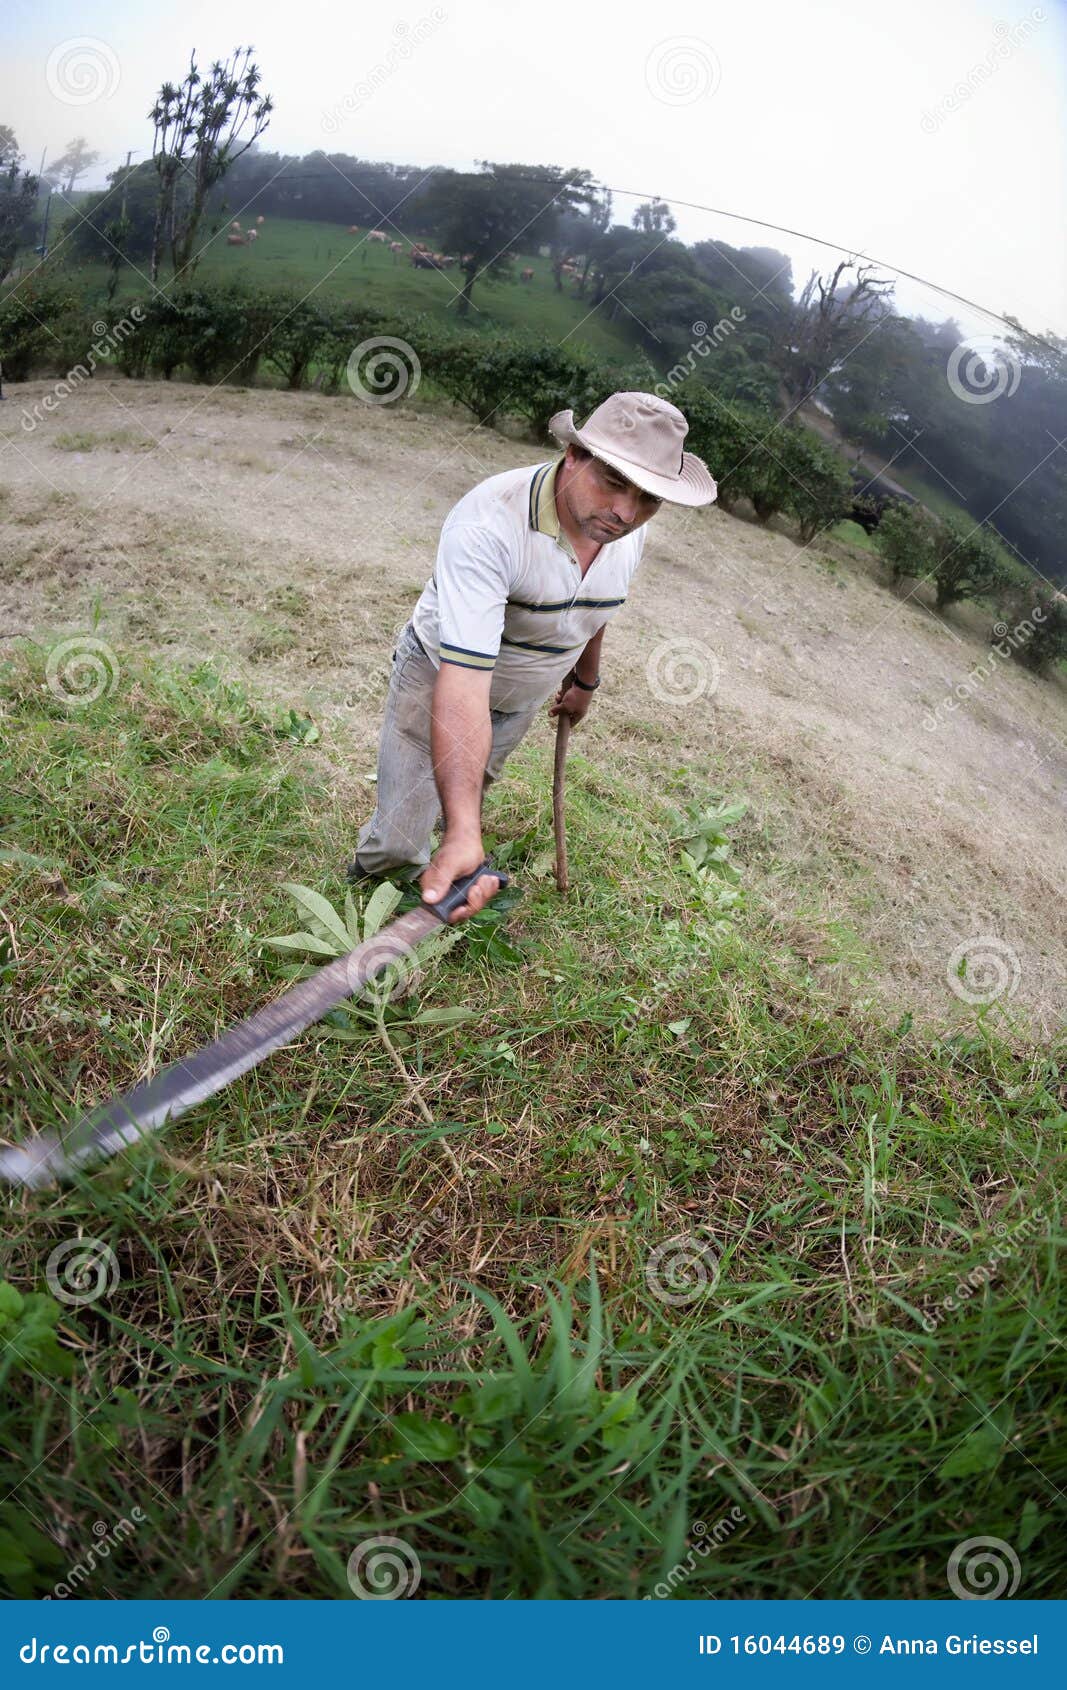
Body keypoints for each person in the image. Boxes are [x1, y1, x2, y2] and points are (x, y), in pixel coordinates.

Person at [349, 390, 717, 923]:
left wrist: (584, 682)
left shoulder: (625, 529)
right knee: (398, 841)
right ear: (574, 455)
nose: (625, 513)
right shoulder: (488, 525)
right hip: (440, 681)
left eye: (648, 498)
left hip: (521, 698)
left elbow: (596, 606)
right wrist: (466, 832)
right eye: (613, 482)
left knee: (466, 795)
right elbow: (464, 680)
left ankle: (445, 861)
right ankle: (367, 895)